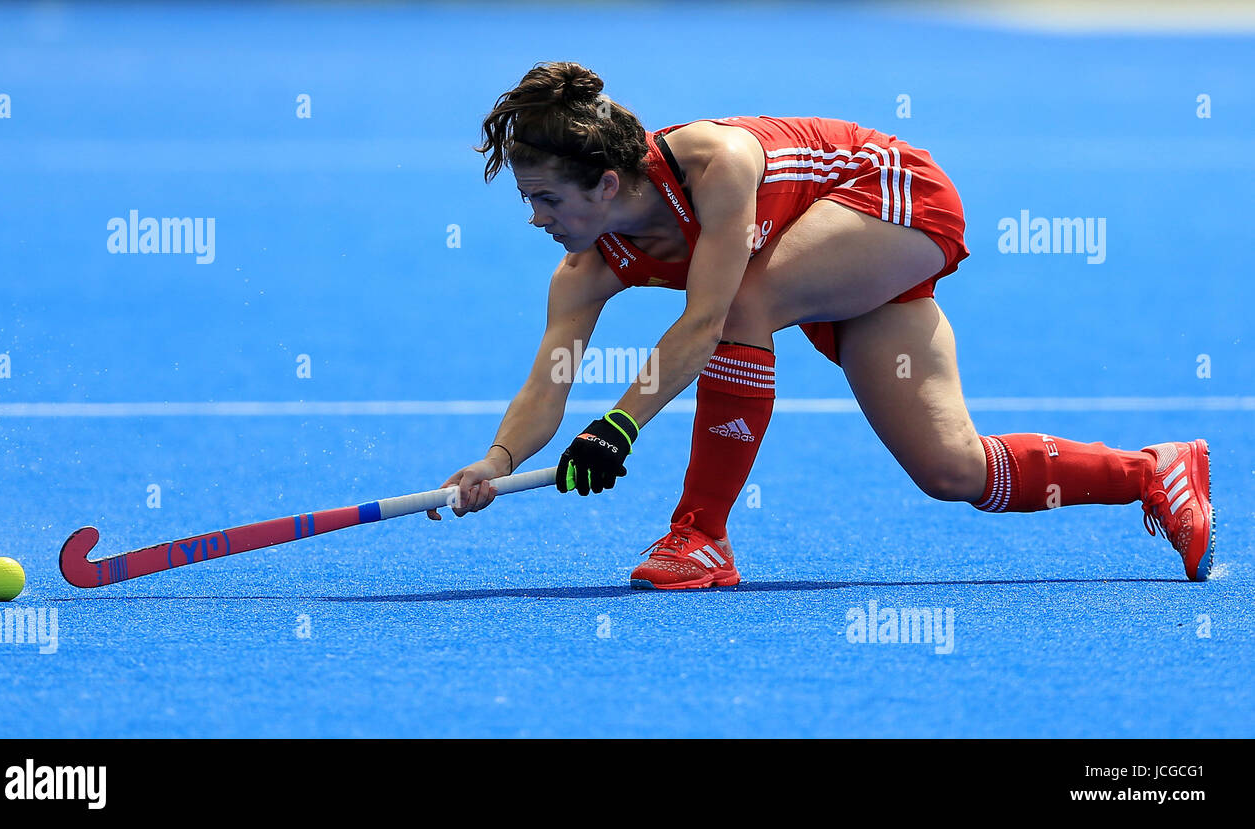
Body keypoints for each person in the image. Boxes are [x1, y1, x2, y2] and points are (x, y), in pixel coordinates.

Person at [426, 61, 1215, 589]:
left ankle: (700, 535)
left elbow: (706, 320)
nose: (534, 218)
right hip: (827, 260)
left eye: (547, 199)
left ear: (605, 182)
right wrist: (494, 460)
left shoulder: (714, 164)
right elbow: (548, 382)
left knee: (742, 302)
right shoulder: (585, 269)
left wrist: (620, 427)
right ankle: (1154, 471)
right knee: (951, 469)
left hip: (892, 196)